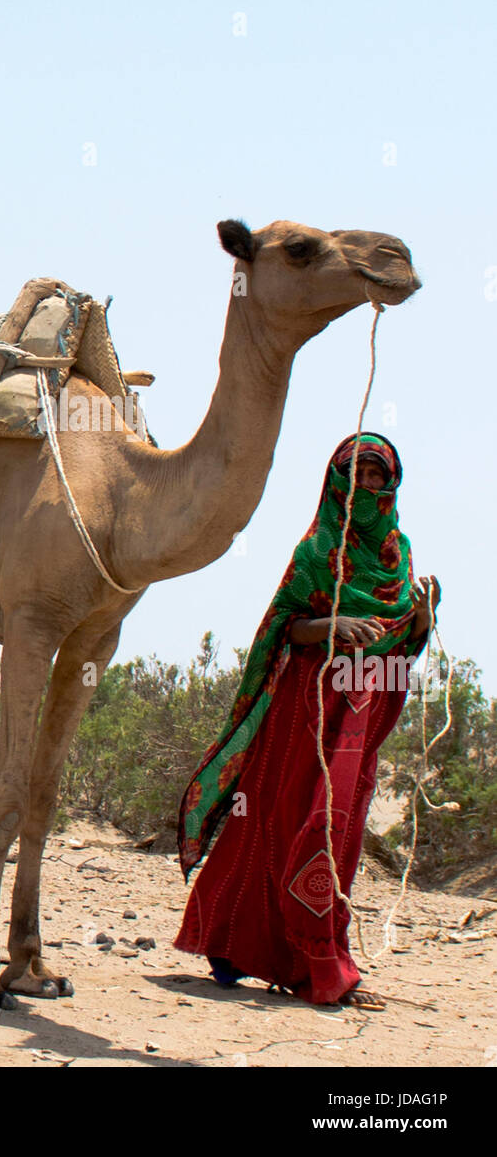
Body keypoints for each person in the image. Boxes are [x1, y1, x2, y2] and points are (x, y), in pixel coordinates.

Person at [174, 433, 440, 1010]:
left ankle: (313, 953)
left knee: (334, 824)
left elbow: (400, 644)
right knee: (278, 817)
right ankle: (245, 948)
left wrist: (421, 619)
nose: (367, 486)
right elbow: (282, 629)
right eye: (359, 474)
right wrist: (332, 626)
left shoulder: (401, 552)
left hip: (358, 716)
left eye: (377, 476)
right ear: (337, 480)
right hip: (306, 705)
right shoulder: (316, 549)